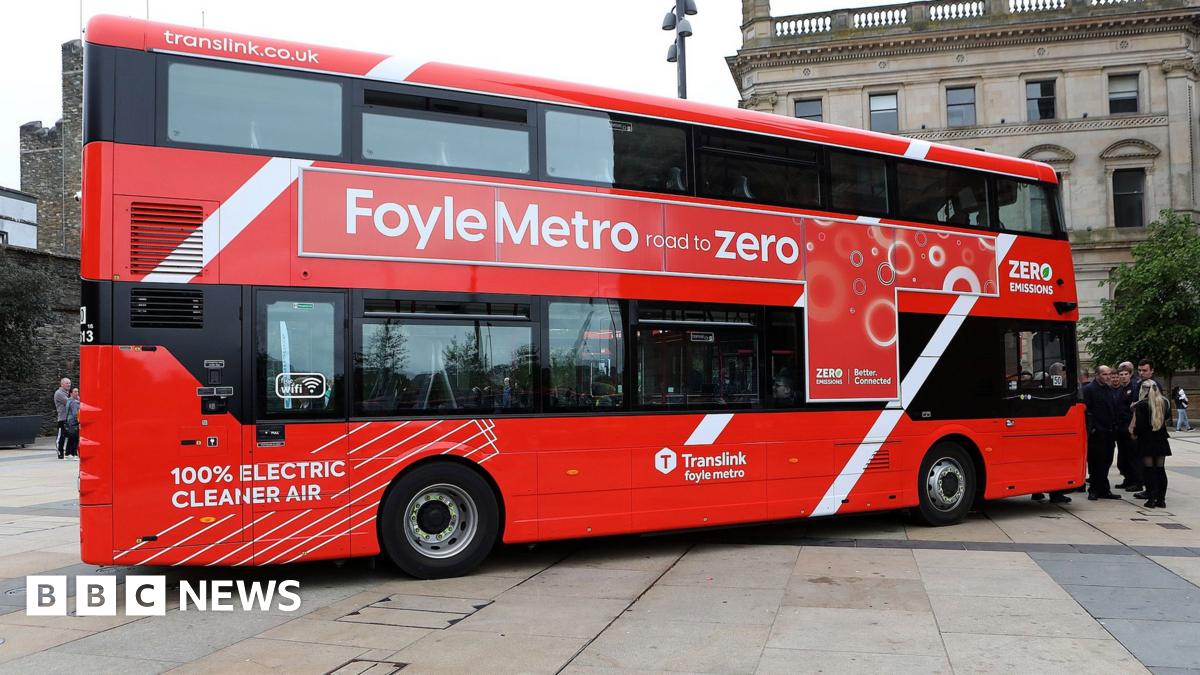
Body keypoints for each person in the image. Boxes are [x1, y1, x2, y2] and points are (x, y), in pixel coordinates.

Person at [1081, 365, 1122, 500]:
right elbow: (1086, 411)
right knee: (1095, 462)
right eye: (1105, 374)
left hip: (1109, 432)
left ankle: (1104, 489)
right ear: (1097, 374)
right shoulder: (1089, 389)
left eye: (1109, 374)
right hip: (1096, 432)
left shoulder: (1109, 389)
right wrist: (1092, 428)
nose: (1108, 377)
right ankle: (1094, 489)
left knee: (1106, 461)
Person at [1130, 379, 1172, 508]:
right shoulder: (1165, 402)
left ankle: (1151, 499)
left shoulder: (1142, 404)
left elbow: (1140, 425)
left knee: (1149, 470)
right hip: (1161, 439)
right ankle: (1161, 499)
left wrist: (1134, 433)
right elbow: (1167, 417)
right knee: (1160, 470)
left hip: (1147, 440)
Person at [1113, 364, 1142, 494]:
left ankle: (1137, 481)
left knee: (1133, 455)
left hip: (1130, 426)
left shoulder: (1134, 388)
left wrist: (1133, 425)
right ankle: (1128, 478)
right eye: (1121, 374)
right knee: (1123, 455)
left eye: (1125, 374)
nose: (1123, 377)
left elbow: (1135, 408)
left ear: (1130, 375)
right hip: (1120, 427)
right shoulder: (1119, 389)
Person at [53, 377, 71, 460]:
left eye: (69, 383)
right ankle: (60, 452)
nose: (69, 385)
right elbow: (69, 402)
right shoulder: (59, 393)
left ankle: (69, 453)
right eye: (67, 383)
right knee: (61, 437)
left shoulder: (68, 393)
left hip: (70, 419)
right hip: (62, 419)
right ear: (62, 384)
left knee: (72, 436)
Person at [64, 388, 81, 460]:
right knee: (75, 439)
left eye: (77, 391)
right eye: (75, 391)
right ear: (71, 393)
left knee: (71, 438)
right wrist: (79, 421)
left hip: (69, 422)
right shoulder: (74, 402)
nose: (77, 393)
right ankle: (74, 454)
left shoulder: (69, 401)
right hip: (74, 422)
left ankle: (67, 454)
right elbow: (75, 413)